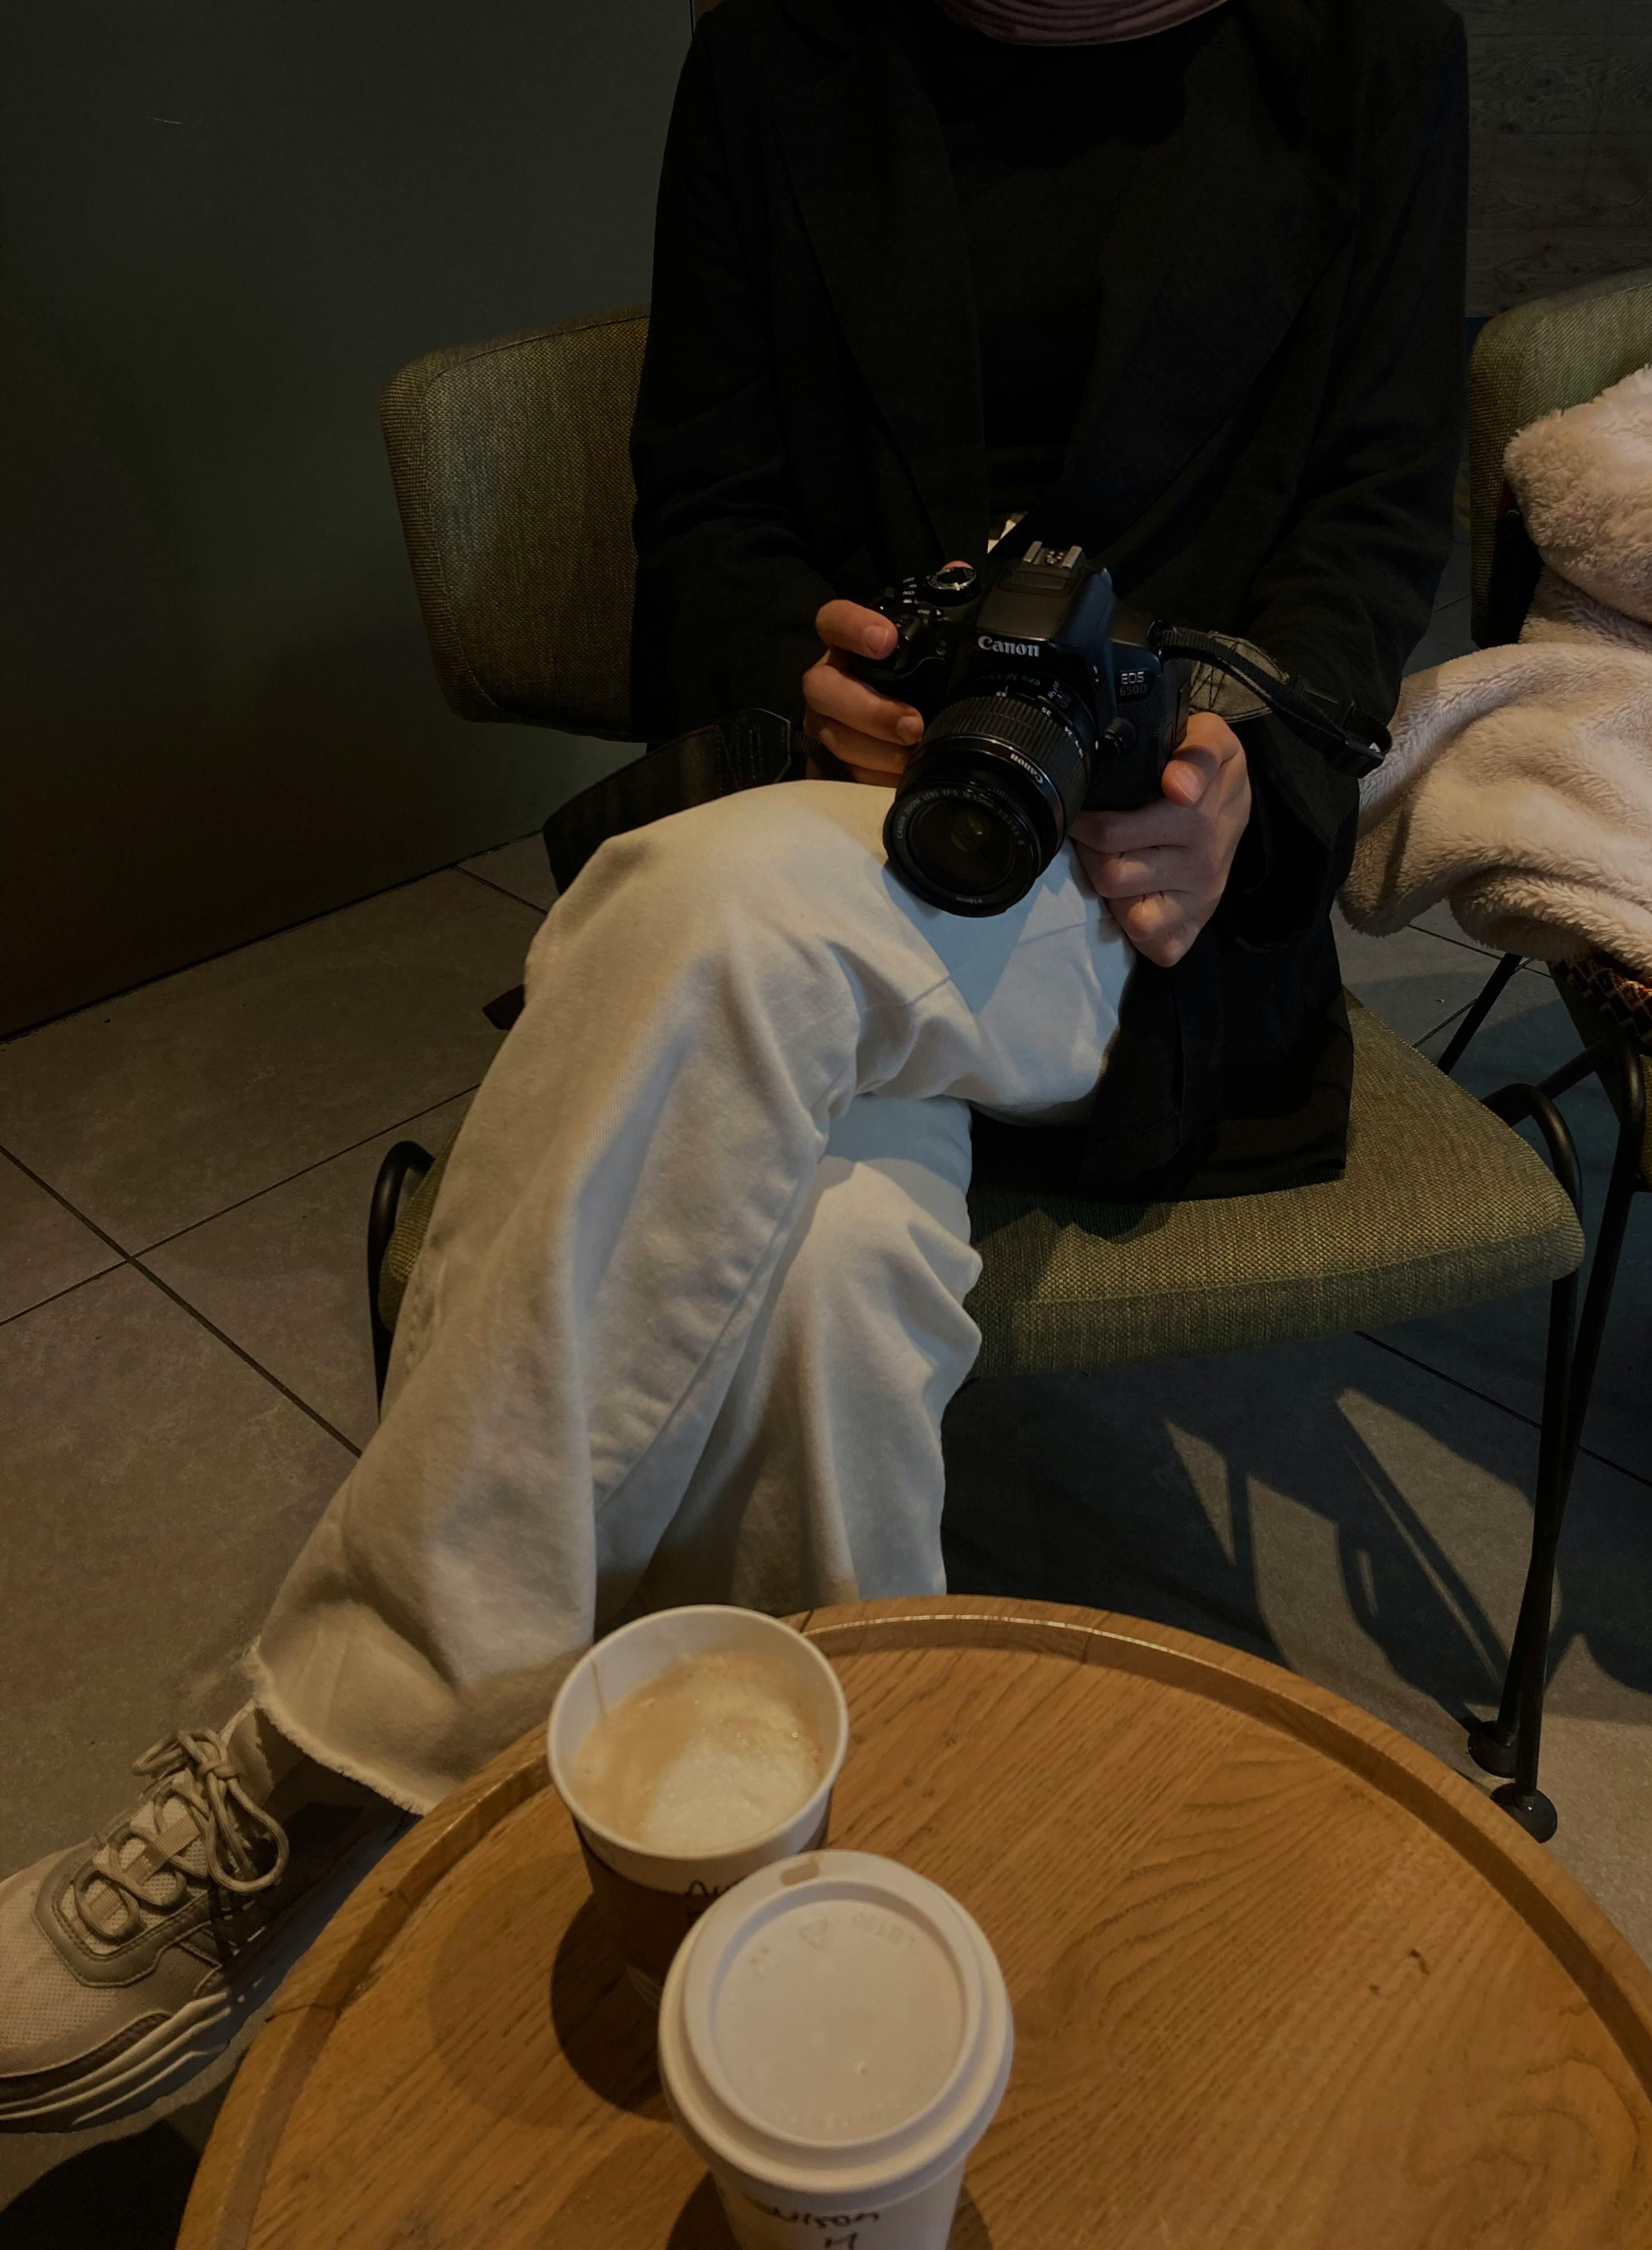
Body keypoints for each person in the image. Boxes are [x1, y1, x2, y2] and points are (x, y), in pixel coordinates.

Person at [0, 0, 1465, 2133]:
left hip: (1138, 907)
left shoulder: (1366, 51)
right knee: (837, 1268)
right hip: (848, 808)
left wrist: (1238, 774)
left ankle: (315, 1756)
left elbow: (1371, 530)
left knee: (695, 918)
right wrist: (815, 679)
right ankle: (796, 1909)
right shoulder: (789, 45)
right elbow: (699, 506)